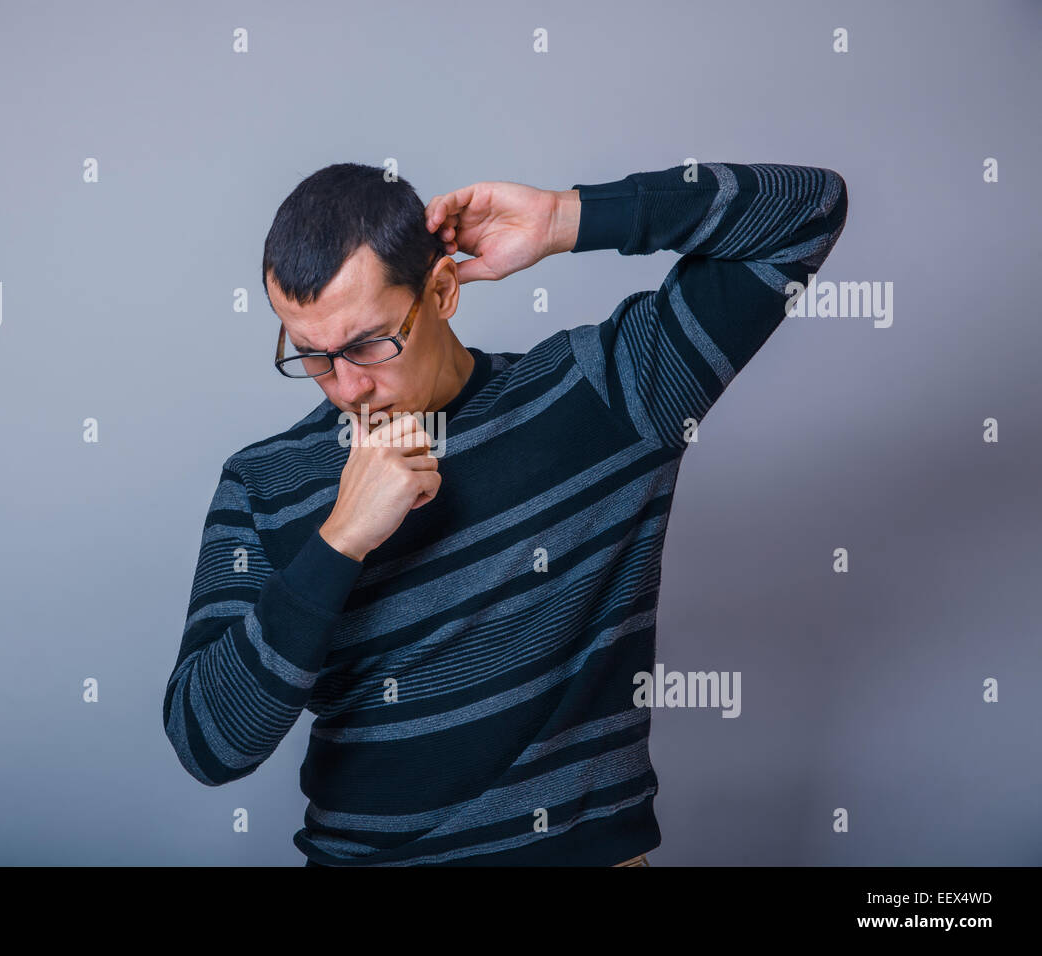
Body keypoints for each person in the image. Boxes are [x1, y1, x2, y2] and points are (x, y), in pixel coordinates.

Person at [162, 160, 848, 866]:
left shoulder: (608, 394)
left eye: (369, 344)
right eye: (311, 356)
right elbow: (208, 744)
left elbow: (806, 212)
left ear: (442, 289)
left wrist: (566, 219)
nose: (347, 388)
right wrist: (338, 542)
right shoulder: (264, 482)